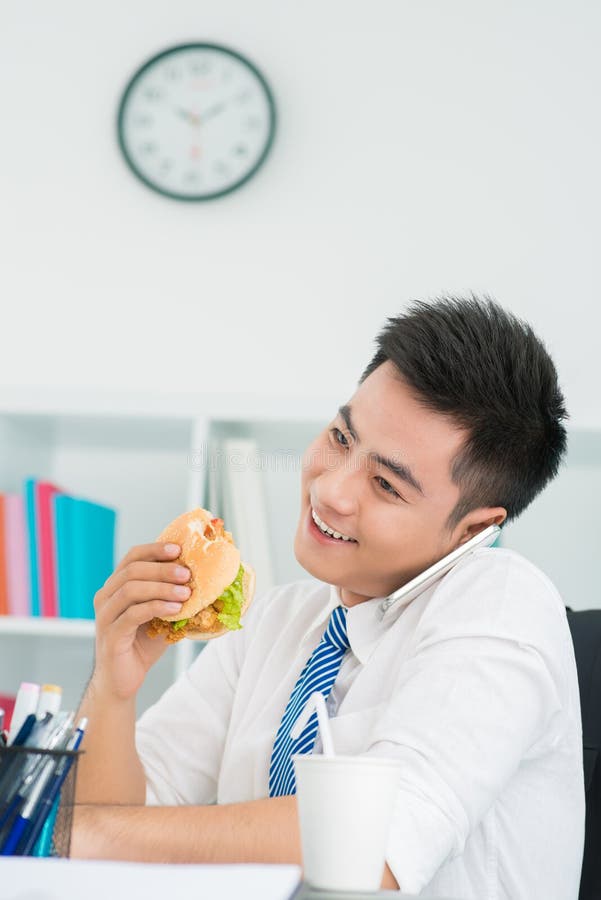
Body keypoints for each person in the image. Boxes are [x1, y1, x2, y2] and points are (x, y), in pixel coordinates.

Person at [72, 295, 584, 898]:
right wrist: (113, 686)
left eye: (386, 485)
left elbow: (372, 850)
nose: (331, 490)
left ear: (472, 531)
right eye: (342, 438)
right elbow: (102, 847)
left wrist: (91, 835)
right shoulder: (282, 619)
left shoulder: (502, 600)